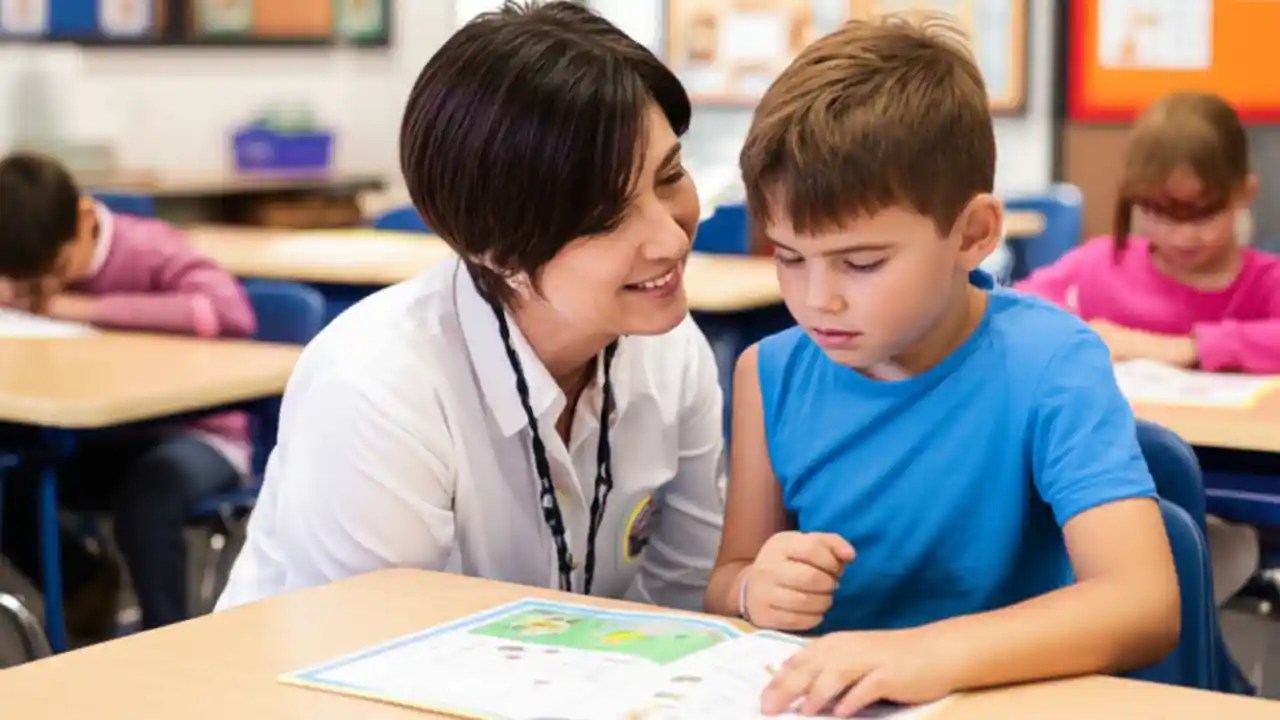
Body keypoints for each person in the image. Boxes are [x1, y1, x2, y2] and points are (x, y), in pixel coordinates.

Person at [703, 15, 1179, 716]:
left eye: (861, 262)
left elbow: (1143, 604)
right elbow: (727, 579)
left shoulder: (1052, 363)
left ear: (975, 234)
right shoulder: (768, 375)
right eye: (788, 256)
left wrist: (924, 654)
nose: (816, 298)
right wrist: (752, 588)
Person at [216, 1, 724, 613]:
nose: (672, 238)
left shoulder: (669, 348)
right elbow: (376, 658)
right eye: (609, 218)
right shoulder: (379, 387)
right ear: (494, 245)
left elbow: (688, 597)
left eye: (670, 176)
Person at [1016, 92, 1278, 603]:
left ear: (1244, 193)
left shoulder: (1264, 282)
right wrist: (1079, 335)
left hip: (1230, 481)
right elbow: (1019, 308)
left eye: (1202, 213)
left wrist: (1190, 347)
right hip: (1110, 482)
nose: (1180, 234)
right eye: (1158, 212)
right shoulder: (1099, 266)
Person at [0, 151, 256, 634]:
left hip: (200, 435)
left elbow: (229, 313)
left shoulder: (151, 248)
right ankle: (86, 588)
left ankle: (169, 641)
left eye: (52, 272)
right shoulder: (24, 257)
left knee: (151, 495)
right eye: (28, 285)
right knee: (13, 482)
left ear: (82, 218)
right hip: (96, 435)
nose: (44, 291)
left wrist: (81, 307)